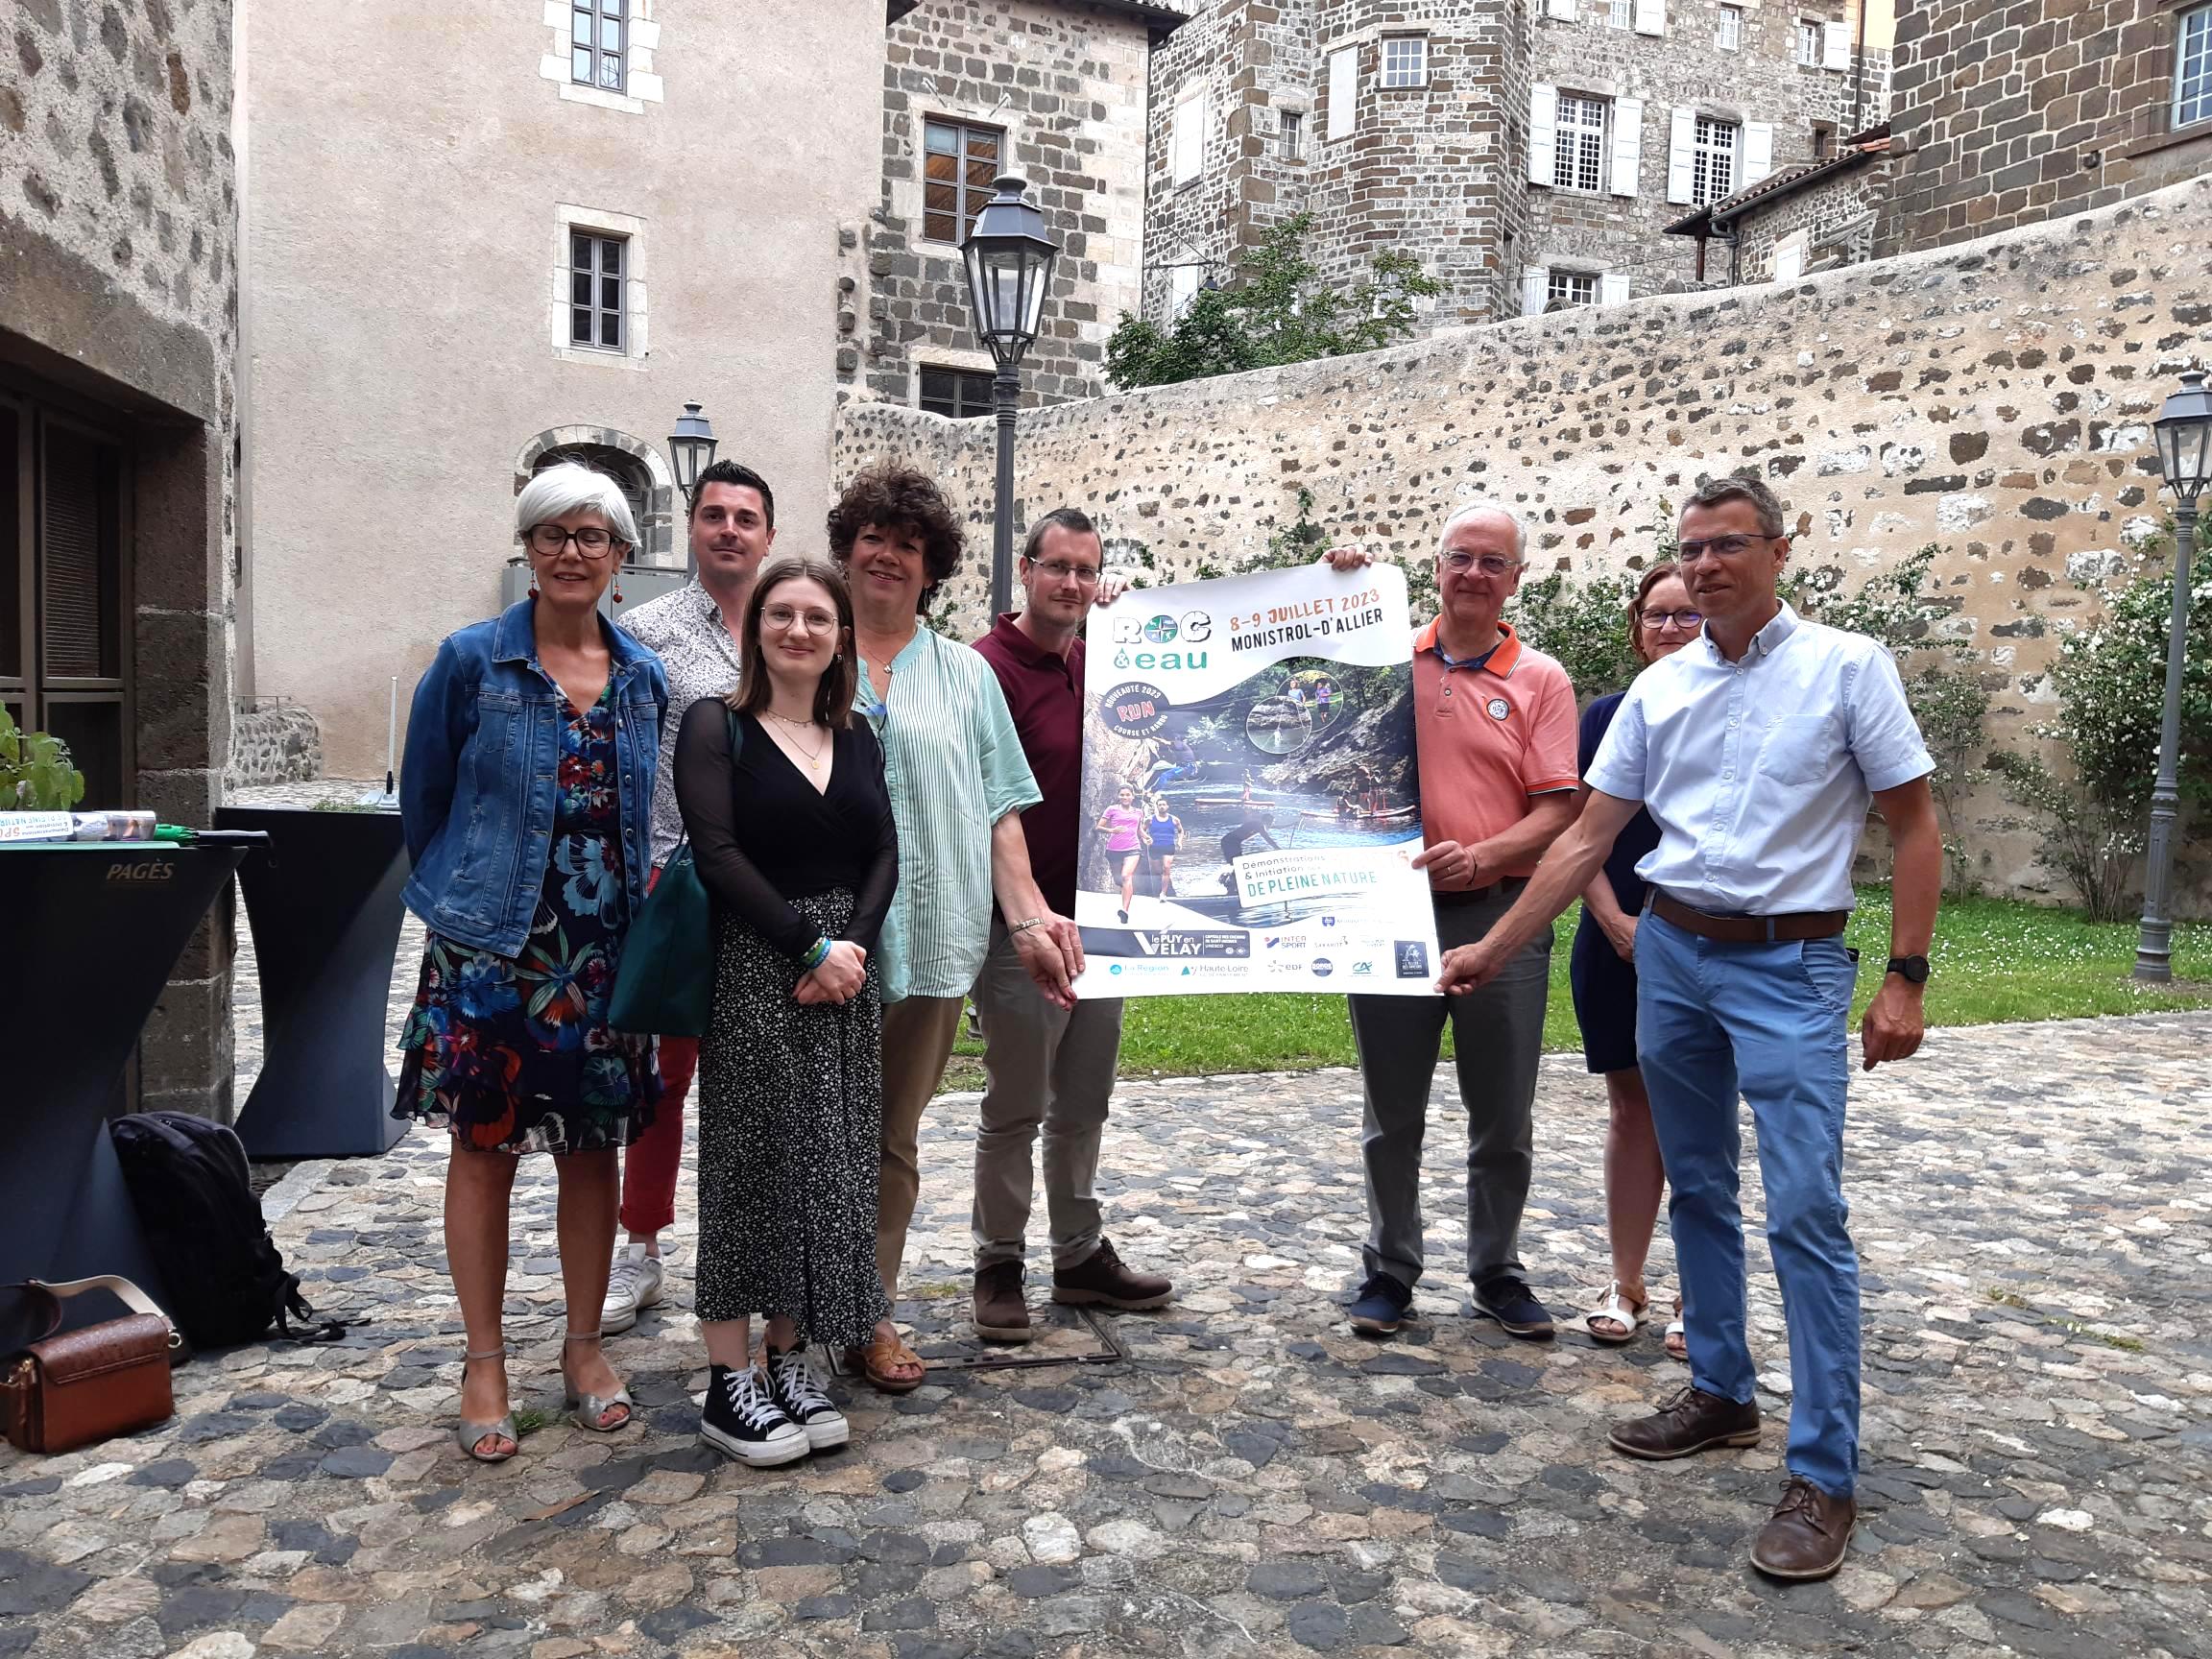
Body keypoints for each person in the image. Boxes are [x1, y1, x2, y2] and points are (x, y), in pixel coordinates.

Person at [1435, 473, 1939, 1581]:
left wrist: (1905, 977)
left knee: (1805, 1209)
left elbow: (1913, 824)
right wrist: (1497, 946)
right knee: (1699, 1184)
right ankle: (1720, 1391)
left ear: (1779, 551)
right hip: (1672, 952)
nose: (1706, 565)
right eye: (1691, 548)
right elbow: (1582, 839)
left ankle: (1825, 1472)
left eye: (1728, 545)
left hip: (1791, 962)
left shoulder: (1847, 667)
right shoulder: (1662, 690)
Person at [395, 461, 668, 1462]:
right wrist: (462, 899)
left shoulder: (643, 678)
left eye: (591, 535)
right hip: (491, 952)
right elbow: (424, 802)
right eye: (552, 533)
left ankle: (584, 1348)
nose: (571, 552)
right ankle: (484, 1362)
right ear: (527, 547)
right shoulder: (473, 661)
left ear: (620, 555)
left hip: (602, 951)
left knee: (593, 1150)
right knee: (485, 1149)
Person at [829, 464, 1083, 1392]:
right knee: (811, 1131)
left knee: (892, 1137)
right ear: (847, 551)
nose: (888, 556)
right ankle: (789, 1314)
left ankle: (869, 1311)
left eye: (909, 545)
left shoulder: (966, 675)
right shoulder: (807, 650)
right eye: (873, 538)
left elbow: (1001, 811)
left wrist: (1029, 920)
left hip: (932, 941)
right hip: (818, 943)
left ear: (931, 566)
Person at [1332, 504, 1579, 1343]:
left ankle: (1497, 1271)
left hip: (1501, 913)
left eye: (1492, 562)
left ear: (1516, 579)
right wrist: (1337, 580)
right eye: (1460, 558)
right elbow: (1297, 652)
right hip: (1388, 913)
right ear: (1435, 567)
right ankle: (1389, 1269)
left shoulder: (1540, 679)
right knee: (1390, 1111)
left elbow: (1558, 812)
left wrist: (1481, 857)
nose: (1474, 574)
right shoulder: (1382, 658)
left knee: (1503, 1112)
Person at [674, 556, 898, 1467]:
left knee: (829, 1166)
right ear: (756, 628)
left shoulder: (858, 736)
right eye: (782, 614)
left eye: (817, 617)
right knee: (751, 1164)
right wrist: (810, 948)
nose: (799, 630)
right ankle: (728, 1382)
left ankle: (789, 1358)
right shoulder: (715, 725)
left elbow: (884, 851)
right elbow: (717, 853)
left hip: (847, 975)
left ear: (840, 638)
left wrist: (853, 952)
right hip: (758, 967)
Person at [968, 508, 1174, 1342]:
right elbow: (985, 803)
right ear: (1025, 570)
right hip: (1020, 927)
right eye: (1058, 567)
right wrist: (1022, 916)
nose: (1073, 584)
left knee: (1085, 1100)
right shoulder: (985, 670)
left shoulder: (1104, 664)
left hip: (1101, 927)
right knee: (1016, 1104)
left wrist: (1130, 617)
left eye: (1087, 571)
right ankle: (998, 1262)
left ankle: (1079, 1254)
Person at [601, 459, 776, 1335]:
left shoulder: (792, 623)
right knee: (663, 1077)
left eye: (746, 518)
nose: (730, 530)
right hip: (680, 879)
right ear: (693, 528)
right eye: (715, 515)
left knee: (762, 1079)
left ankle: (762, 1252)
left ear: (769, 536)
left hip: (777, 885)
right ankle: (640, 1244)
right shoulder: (646, 633)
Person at [1573, 564, 1700, 1357]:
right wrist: (1615, 922)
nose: (1670, 629)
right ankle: (1626, 1282)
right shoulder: (1605, 715)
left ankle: (1700, 1290)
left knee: (1696, 1116)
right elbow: (1578, 828)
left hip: (1701, 939)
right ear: (1636, 627)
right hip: (1613, 934)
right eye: (1657, 615)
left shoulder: (1731, 709)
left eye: (1687, 616)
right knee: (1631, 1109)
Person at [1097, 783, 1144, 921]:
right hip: (1114, 849)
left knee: (1126, 876)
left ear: (1133, 796)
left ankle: (1125, 911)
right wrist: (1111, 830)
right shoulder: (1111, 809)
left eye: (1128, 795)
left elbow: (1139, 830)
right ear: (1118, 796)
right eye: (1122, 795)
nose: (1125, 797)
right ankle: (1124, 891)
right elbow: (1098, 827)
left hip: (1133, 848)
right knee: (1119, 880)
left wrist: (1146, 837)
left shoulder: (1139, 812)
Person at [1216, 810, 1279, 894]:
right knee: (1239, 866)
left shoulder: (1259, 824)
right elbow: (1268, 839)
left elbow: (1276, 827)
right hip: (1231, 842)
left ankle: (1228, 882)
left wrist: (1291, 824)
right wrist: (1278, 849)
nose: (1271, 824)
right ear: (1268, 821)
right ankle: (1229, 885)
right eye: (1271, 822)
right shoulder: (1259, 825)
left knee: (1238, 866)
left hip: (1231, 842)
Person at [1144, 794, 1184, 897]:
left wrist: (1179, 841)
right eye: (1160, 805)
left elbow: (1180, 831)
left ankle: (1163, 893)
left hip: (1168, 846)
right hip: (1154, 847)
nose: (1162, 806)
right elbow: (1141, 830)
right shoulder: (1150, 819)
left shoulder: (1174, 819)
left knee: (1166, 868)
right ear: (1157, 807)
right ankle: (1158, 888)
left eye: (1164, 805)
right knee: (1157, 871)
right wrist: (1146, 839)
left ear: (1167, 806)